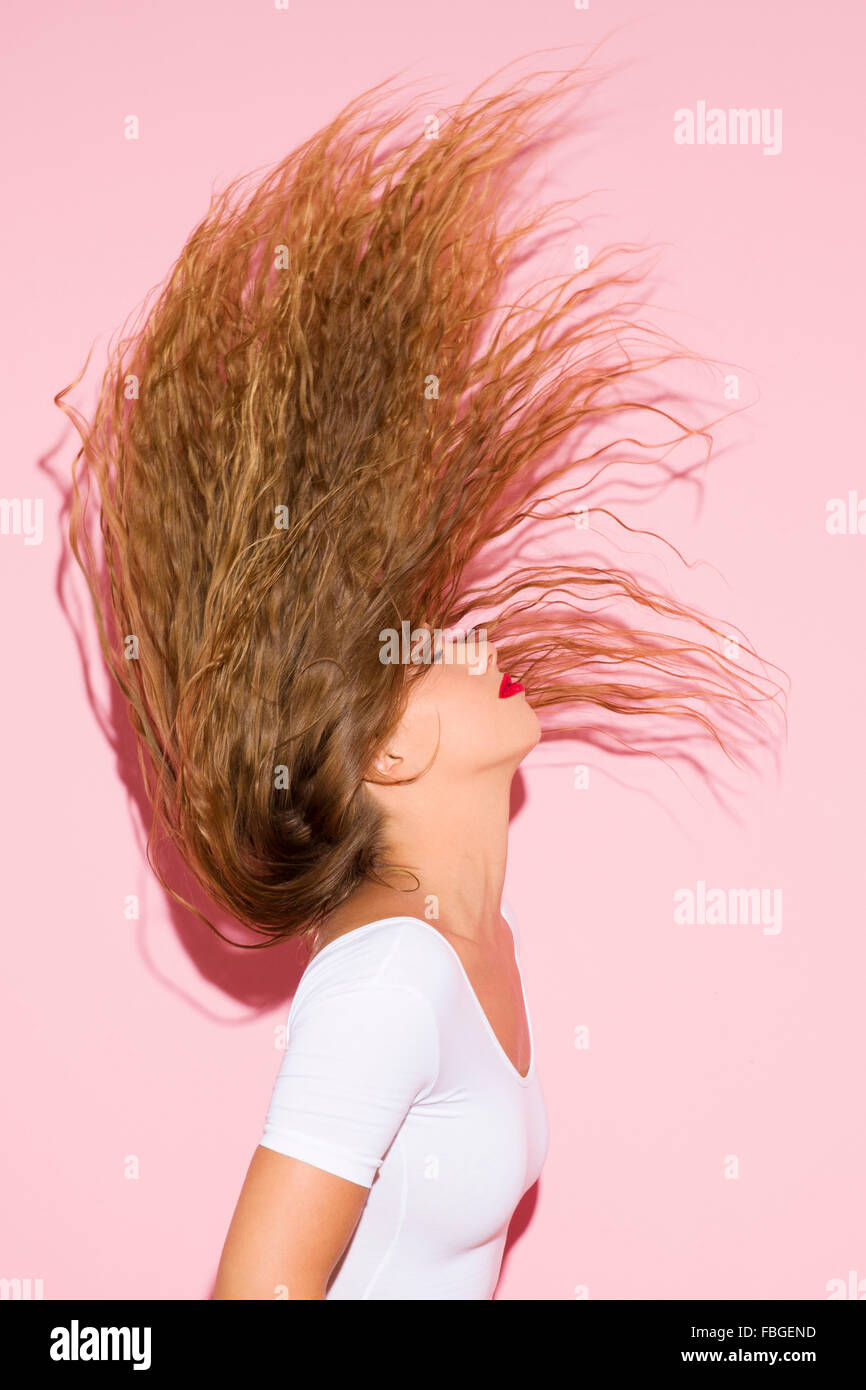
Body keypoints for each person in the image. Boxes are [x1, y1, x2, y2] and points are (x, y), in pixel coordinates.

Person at [56, 53, 780, 1299]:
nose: (473, 645)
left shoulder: (467, 943)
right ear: (384, 755)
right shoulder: (386, 979)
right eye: (426, 652)